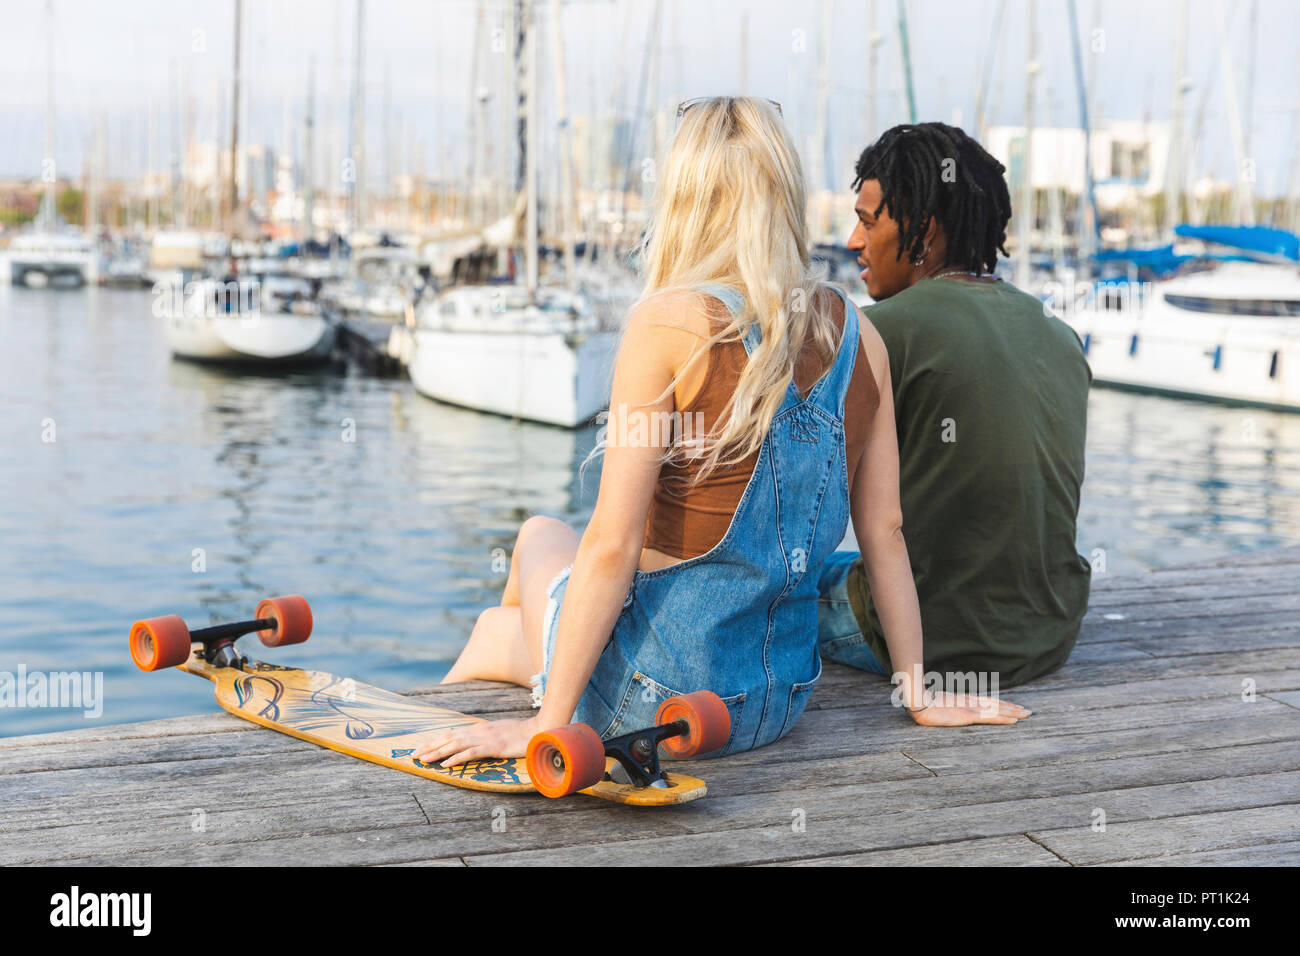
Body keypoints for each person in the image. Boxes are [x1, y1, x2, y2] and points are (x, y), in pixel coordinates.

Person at [416, 101, 1028, 769]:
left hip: (658, 703)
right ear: (784, 195)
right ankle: (500, 668)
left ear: (687, 195)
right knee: (495, 631)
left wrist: (548, 726)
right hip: (773, 702)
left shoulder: (669, 323)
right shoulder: (857, 334)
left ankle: (536, 696)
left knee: (538, 535)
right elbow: (885, 531)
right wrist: (917, 692)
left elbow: (611, 546)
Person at [818, 122, 1092, 691]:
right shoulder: (1060, 335)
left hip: (935, 644)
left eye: (869, 221)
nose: (852, 240)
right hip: (1048, 635)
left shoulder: (877, 331)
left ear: (923, 230)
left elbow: (805, 506)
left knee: (775, 587)